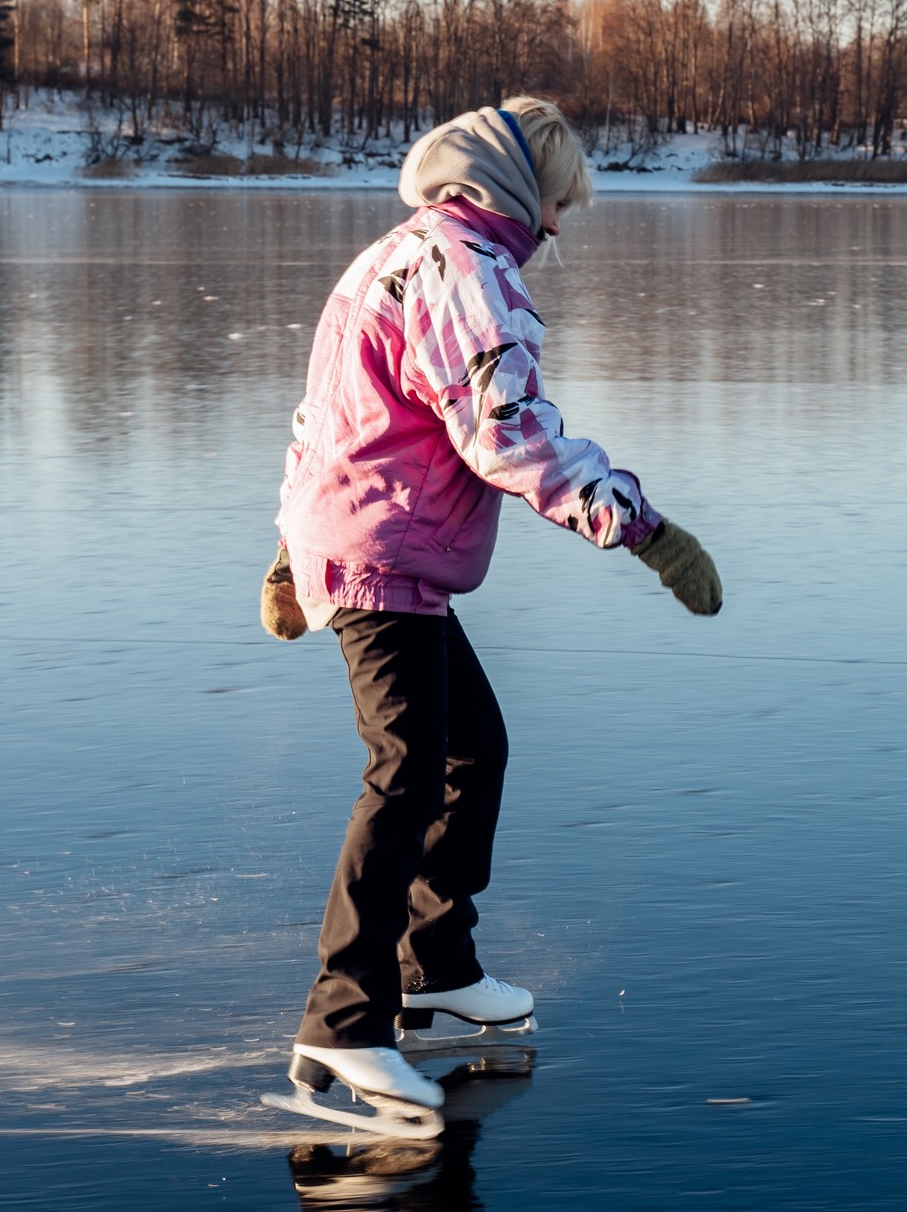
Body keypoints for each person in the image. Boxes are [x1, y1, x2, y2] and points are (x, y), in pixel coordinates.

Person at [263, 97, 720, 1133]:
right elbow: (507, 435)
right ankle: (343, 1019)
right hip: (384, 552)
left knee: (474, 750)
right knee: (407, 770)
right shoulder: (465, 277)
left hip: (373, 543)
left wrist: (291, 554)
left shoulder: (392, 256)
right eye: (560, 202)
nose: (562, 227)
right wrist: (646, 532)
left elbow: (327, 420)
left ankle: (434, 970)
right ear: (522, 191)